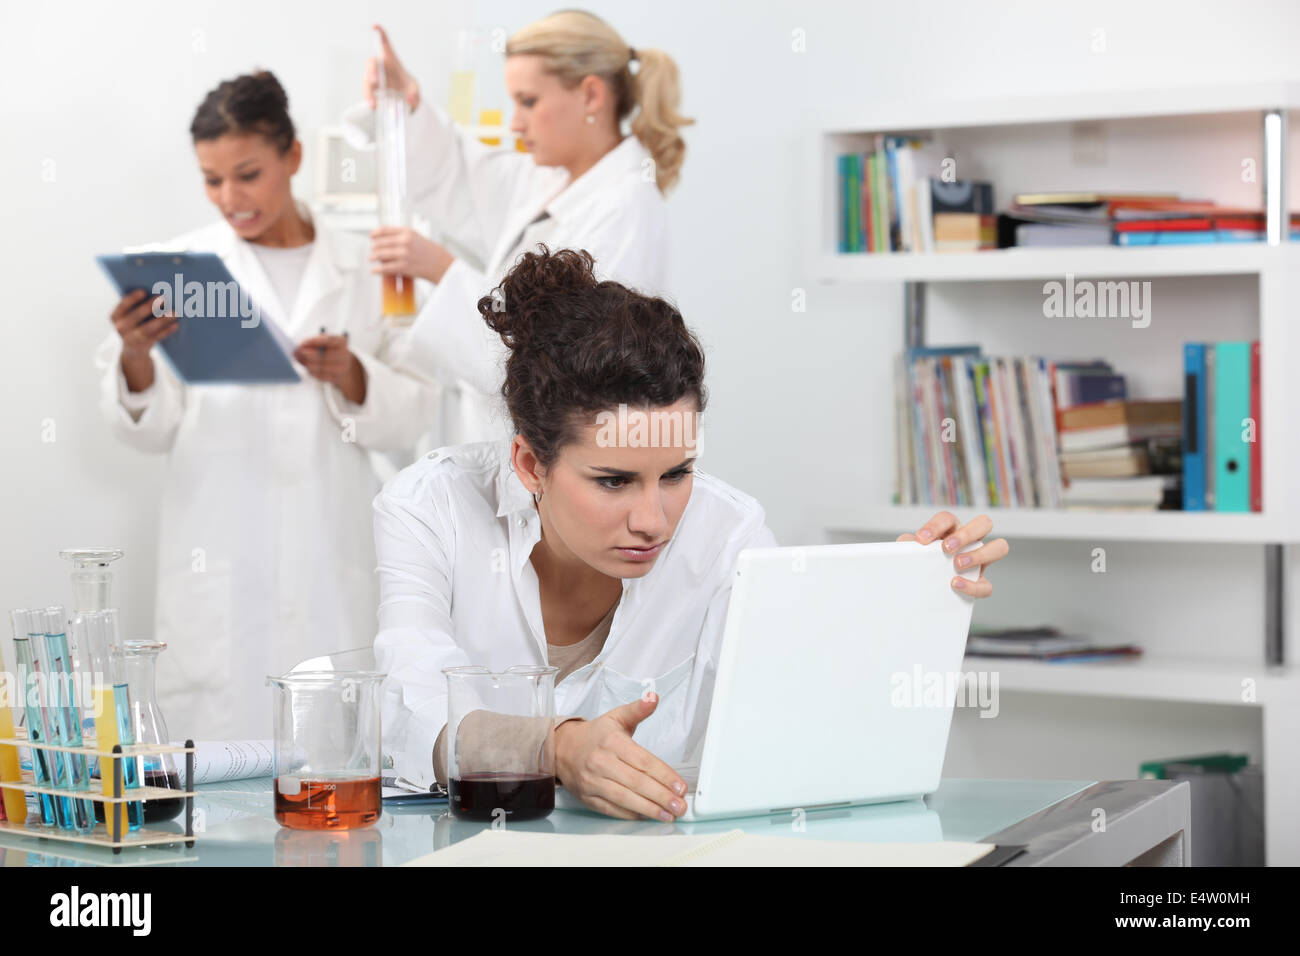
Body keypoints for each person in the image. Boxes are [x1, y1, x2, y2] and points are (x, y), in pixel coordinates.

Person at [373, 245, 1009, 820]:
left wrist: (888, 605)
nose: (654, 521)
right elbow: (410, 708)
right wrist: (557, 747)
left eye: (676, 473)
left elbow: (798, 716)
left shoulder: (729, 534)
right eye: (614, 481)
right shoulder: (432, 509)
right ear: (530, 463)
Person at [94, 71, 437, 739]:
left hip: (326, 560)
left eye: (247, 174)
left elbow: (418, 411)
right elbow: (148, 429)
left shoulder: (369, 267)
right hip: (218, 563)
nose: (231, 198)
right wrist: (135, 354)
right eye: (212, 180)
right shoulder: (181, 269)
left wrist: (353, 375)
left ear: (294, 158)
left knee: (334, 782)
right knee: (217, 785)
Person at [343, 12, 692, 445]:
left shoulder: (626, 209)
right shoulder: (547, 179)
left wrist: (442, 270)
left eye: (528, 102)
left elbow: (574, 364)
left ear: (590, 95)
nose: (514, 123)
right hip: (506, 451)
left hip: (558, 460)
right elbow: (455, 174)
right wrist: (405, 104)